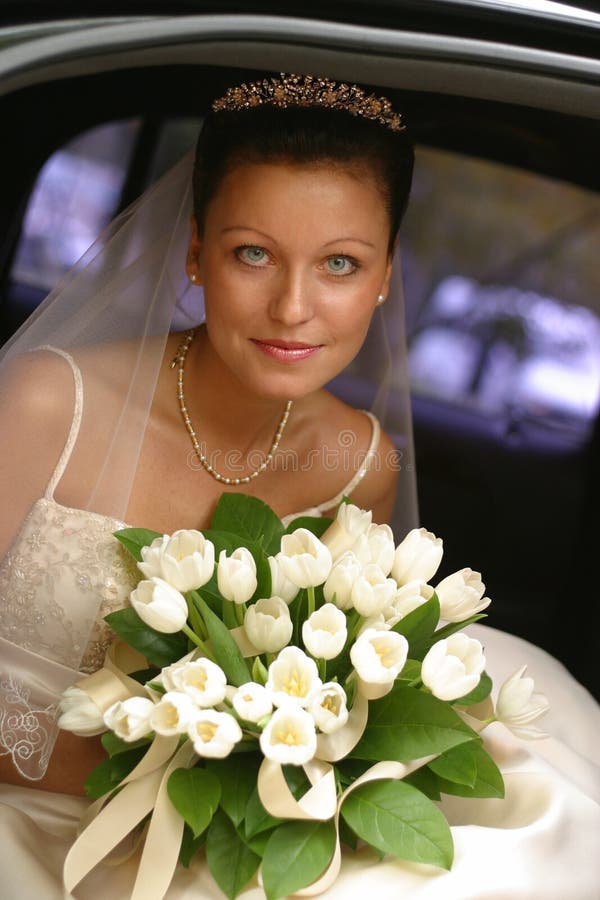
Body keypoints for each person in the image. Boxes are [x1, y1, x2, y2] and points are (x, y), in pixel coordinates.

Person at [0, 73, 597, 899]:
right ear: (196, 251)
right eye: (253, 253)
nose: (292, 307)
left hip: (206, 846)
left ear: (386, 274)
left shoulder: (359, 463)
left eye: (340, 265)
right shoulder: (45, 402)